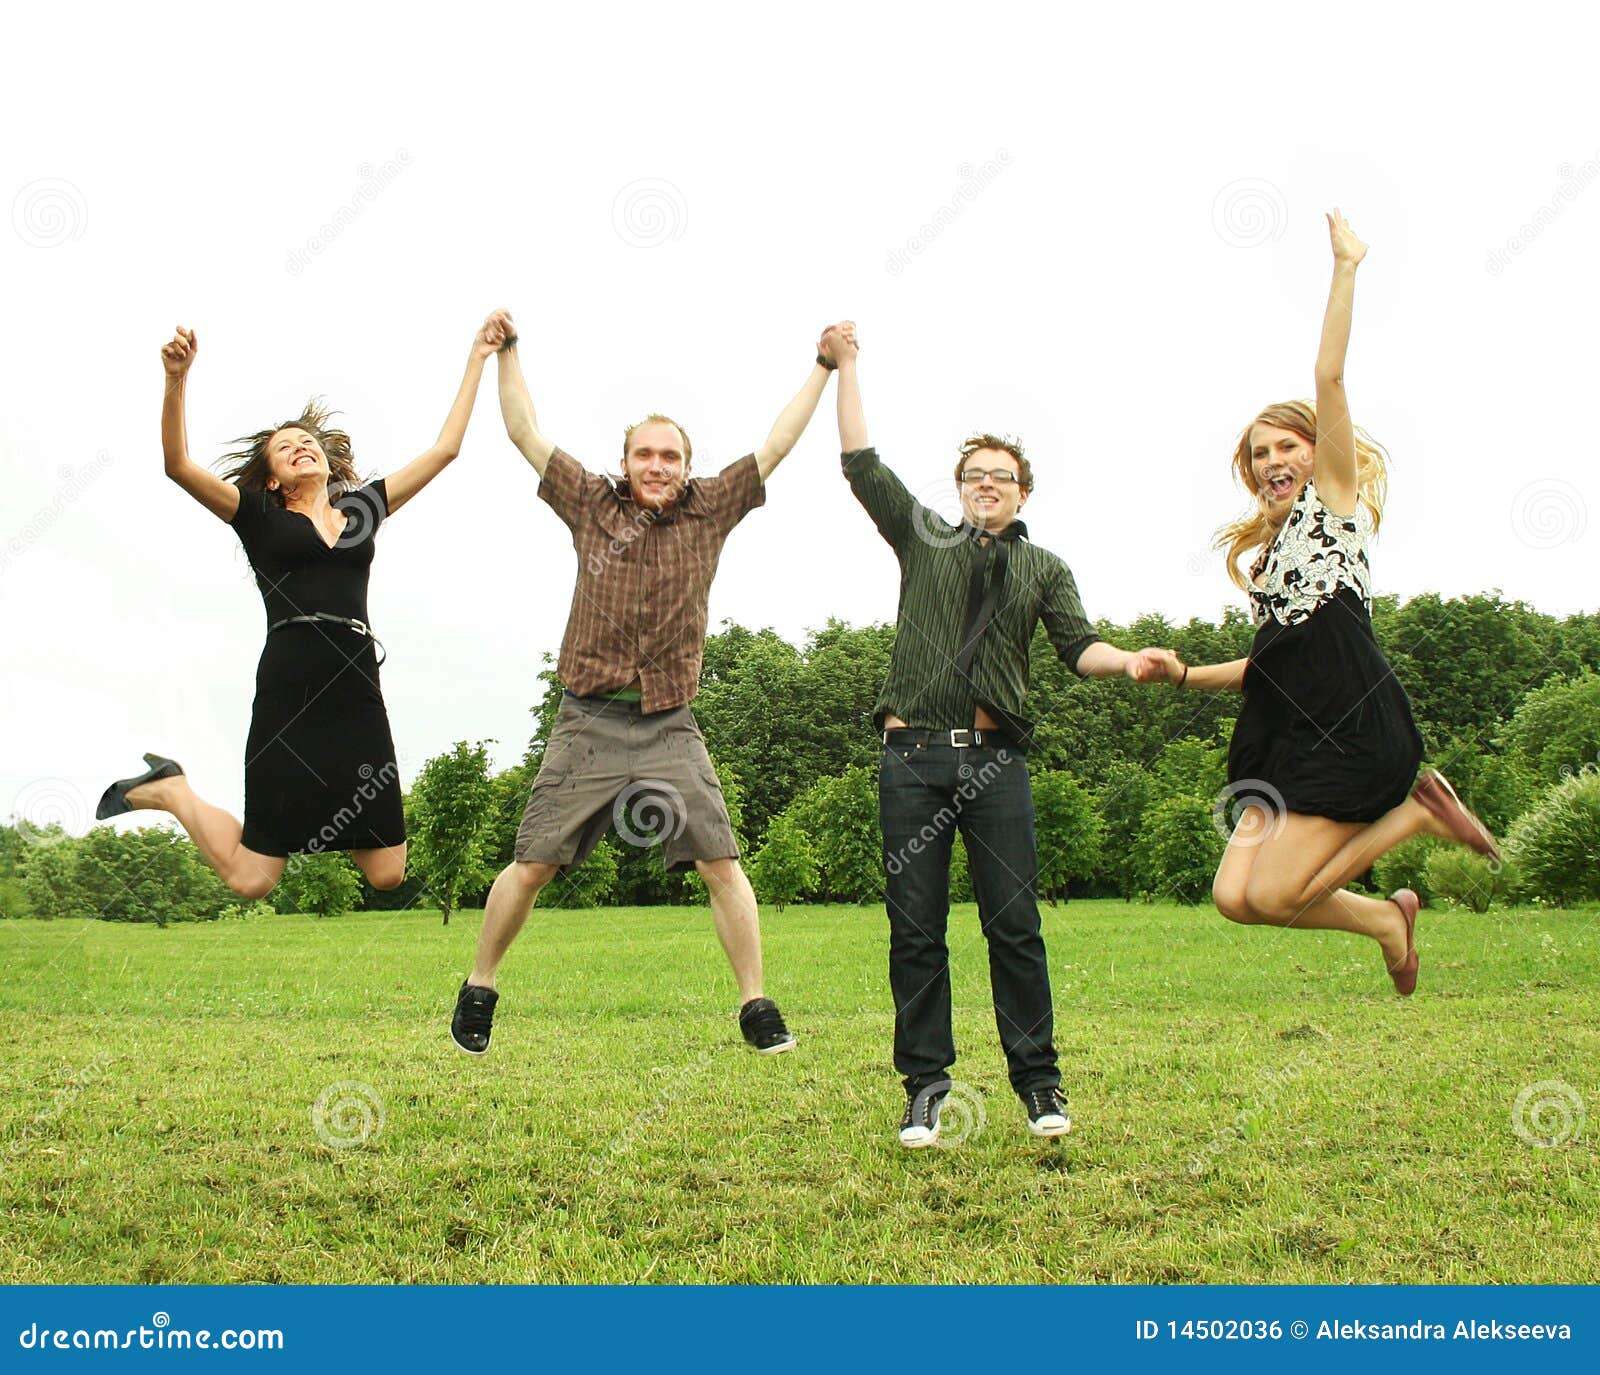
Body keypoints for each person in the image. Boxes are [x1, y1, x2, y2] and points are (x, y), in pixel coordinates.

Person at [449, 311, 843, 1059]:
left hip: (669, 721)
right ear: (625, 462)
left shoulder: (710, 510)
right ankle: (479, 987)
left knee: (720, 860)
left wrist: (822, 366)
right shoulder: (591, 503)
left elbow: (779, 443)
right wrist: (509, 351)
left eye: (669, 456)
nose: (656, 465)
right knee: (534, 860)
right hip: (586, 718)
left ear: (687, 467)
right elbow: (522, 429)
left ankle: (756, 1004)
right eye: (644, 454)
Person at [823, 322, 1174, 1148]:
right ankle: (926, 1087)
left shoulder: (1044, 567)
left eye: (1003, 477)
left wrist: (1126, 662)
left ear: (1023, 493)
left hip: (994, 766)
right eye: (975, 475)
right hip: (911, 760)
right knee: (915, 926)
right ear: (959, 488)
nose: (988, 485)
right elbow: (860, 464)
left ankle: (1040, 1084)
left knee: (1013, 924)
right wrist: (847, 366)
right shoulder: (924, 537)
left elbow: (1077, 645)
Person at [1157, 210, 1499, 996]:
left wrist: (1345, 267)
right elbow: (1268, 668)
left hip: (1348, 726)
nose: (1273, 460)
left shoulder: (1332, 506)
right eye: (1260, 453)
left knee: (1275, 893)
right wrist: (1180, 676)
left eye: (1286, 446)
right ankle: (1387, 918)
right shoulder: (1274, 560)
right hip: (1284, 734)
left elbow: (1330, 379)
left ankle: (1415, 814)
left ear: (1314, 453)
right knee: (1233, 898)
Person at [94, 317, 505, 895]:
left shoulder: (363, 510)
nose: (300, 447)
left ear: (327, 462)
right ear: (271, 479)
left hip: (356, 687)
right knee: (254, 879)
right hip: (289, 688)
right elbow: (178, 465)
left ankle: (175, 789)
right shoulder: (258, 517)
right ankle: (173, 790)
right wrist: (176, 380)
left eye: (307, 442)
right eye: (284, 448)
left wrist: (477, 358)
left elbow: (445, 449)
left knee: (387, 872)